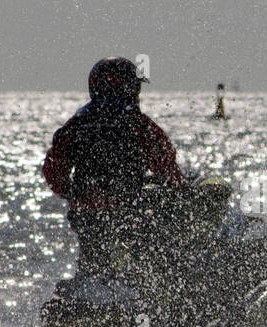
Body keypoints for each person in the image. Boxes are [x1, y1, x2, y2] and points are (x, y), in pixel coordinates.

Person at [43, 57, 186, 275]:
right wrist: (181, 190)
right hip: (129, 211)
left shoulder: (77, 122)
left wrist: (72, 195)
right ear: (130, 87)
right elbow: (164, 164)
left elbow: (54, 169)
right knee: (155, 260)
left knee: (92, 264)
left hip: (86, 214)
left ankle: (90, 287)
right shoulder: (138, 123)